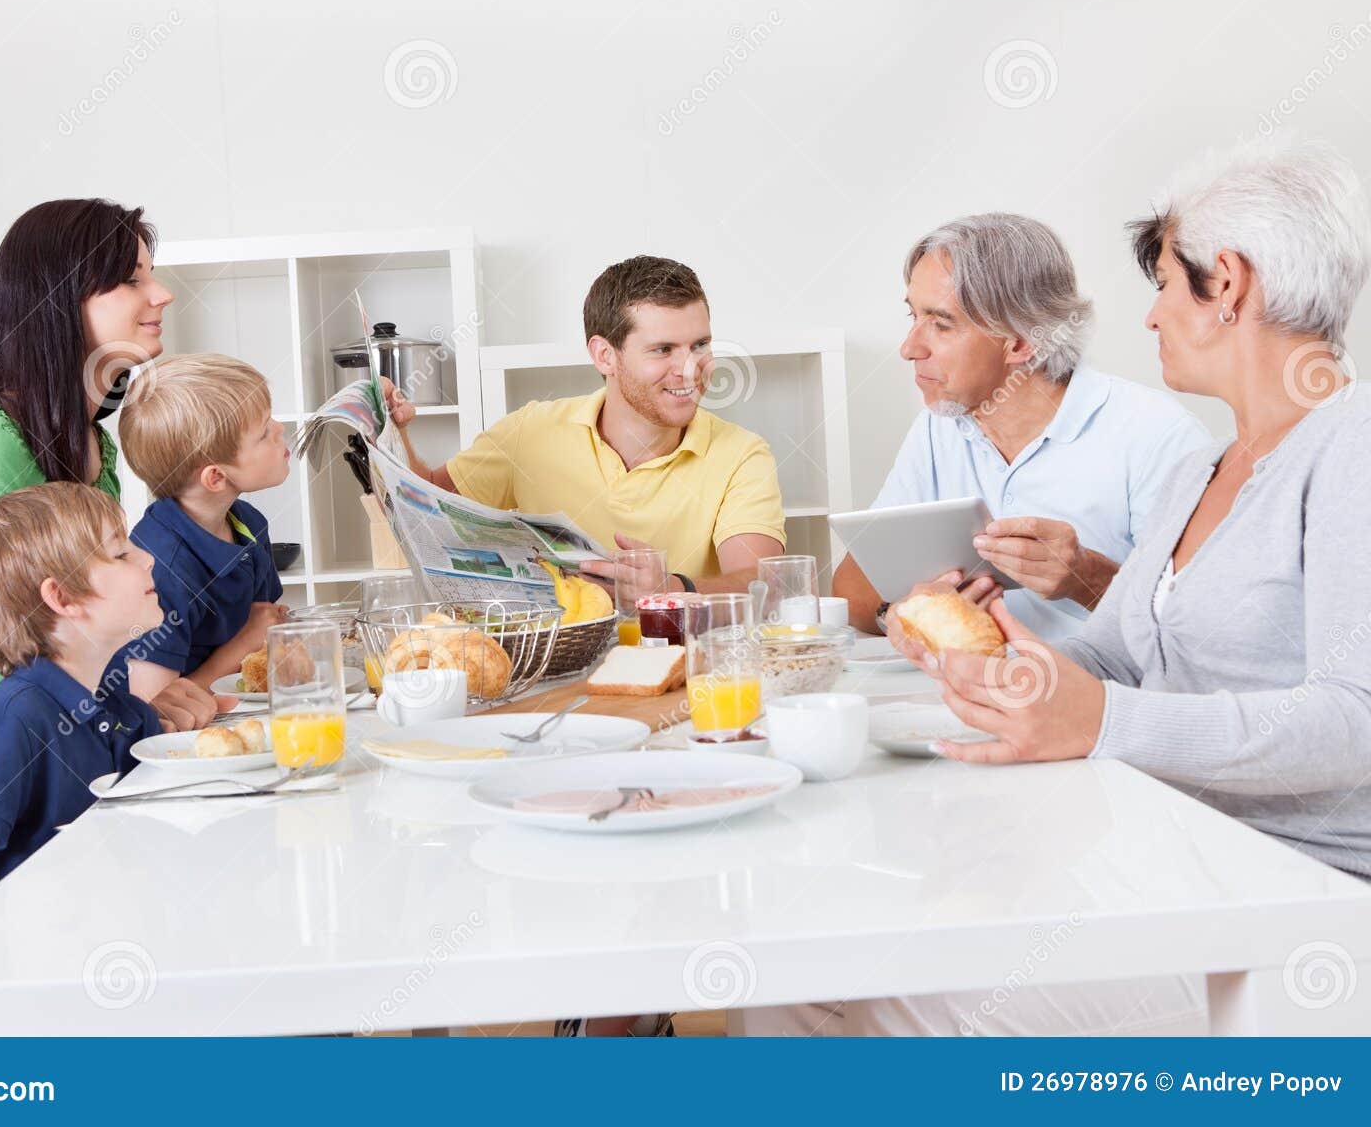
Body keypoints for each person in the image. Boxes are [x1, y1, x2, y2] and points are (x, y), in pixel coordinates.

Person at [754, 138, 1371, 1036]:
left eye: (1164, 283)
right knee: (802, 963)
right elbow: (1114, 650)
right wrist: (995, 661)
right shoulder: (1207, 467)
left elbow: (1357, 720)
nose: (1152, 317)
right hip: (1163, 848)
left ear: (1227, 283)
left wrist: (1108, 720)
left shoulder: (1349, 448)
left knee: (903, 999)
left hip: (1291, 900)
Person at [0, 200, 219, 852]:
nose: (160, 293)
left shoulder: (90, 444)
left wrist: (143, 708)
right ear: (62, 300)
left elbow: (87, 629)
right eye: (132, 278)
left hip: (78, 767)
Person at [832, 214, 1210, 641]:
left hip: (1097, 696)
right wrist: (902, 613)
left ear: (1021, 342)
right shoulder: (940, 428)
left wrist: (1087, 577)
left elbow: (1201, 629)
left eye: (940, 323)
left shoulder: (1156, 436)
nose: (909, 348)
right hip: (967, 691)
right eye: (913, 316)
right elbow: (849, 590)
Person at [389, 255, 787, 597]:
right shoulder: (530, 432)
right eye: (663, 350)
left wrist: (670, 590)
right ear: (604, 356)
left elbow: (764, 584)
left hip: (686, 671)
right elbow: (424, 512)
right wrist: (391, 429)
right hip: (554, 668)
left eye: (699, 345)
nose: (690, 370)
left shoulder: (741, 453)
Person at [0, 484, 163, 946]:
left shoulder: (127, 712)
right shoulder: (8, 724)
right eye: (121, 554)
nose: (147, 559)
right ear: (63, 598)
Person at [116, 354, 292, 697]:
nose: (280, 429)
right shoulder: (159, 569)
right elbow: (156, 708)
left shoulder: (248, 524)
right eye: (263, 431)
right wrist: (245, 643)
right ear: (215, 477)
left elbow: (263, 630)